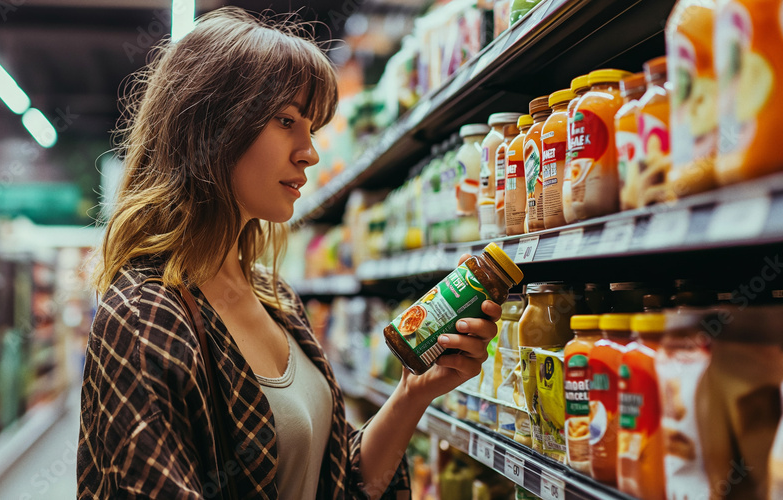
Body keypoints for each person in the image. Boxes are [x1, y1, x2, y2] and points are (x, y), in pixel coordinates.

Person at [77, 7, 501, 499]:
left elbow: (340, 482)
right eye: (285, 121)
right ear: (210, 127)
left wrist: (415, 390)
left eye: (312, 127)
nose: (311, 152)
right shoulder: (143, 315)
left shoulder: (273, 294)